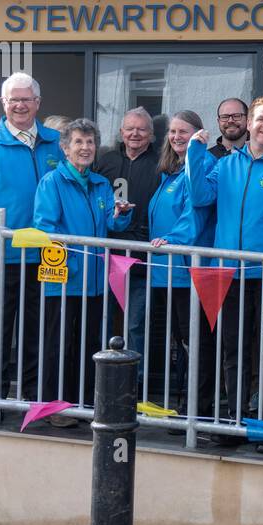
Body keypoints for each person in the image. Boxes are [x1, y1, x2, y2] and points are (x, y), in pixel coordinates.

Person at [186, 95, 263, 450]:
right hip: (228, 275)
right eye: (262, 120)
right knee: (233, 350)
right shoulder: (225, 165)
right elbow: (199, 197)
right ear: (250, 123)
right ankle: (235, 422)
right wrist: (194, 154)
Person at [0, 72, 64, 400]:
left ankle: (34, 399)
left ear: (38, 103)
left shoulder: (54, 142)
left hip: (44, 255)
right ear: (3, 103)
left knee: (39, 332)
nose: (20, 105)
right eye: (13, 99)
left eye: (26, 99)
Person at [33, 119, 133, 418]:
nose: (85, 148)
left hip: (97, 282)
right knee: (58, 347)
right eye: (78, 142)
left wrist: (119, 214)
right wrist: (73, 264)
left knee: (90, 345)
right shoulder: (52, 182)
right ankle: (55, 409)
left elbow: (110, 227)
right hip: (64, 281)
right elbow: (44, 228)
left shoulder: (101, 184)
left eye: (90, 142)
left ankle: (86, 406)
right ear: (65, 148)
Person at [146, 110, 213, 414]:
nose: (175, 137)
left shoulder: (201, 165)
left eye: (183, 132)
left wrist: (174, 240)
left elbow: (195, 214)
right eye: (172, 132)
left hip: (189, 270)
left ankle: (195, 406)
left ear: (198, 134)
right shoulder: (171, 171)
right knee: (181, 341)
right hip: (167, 270)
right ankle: (183, 402)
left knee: (194, 341)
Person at [94, 107, 159, 365]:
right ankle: (99, 381)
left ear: (152, 135)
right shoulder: (106, 161)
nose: (135, 133)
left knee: (136, 324)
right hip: (106, 257)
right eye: (130, 128)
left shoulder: (160, 164)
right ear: (121, 132)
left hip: (143, 257)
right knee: (102, 321)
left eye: (142, 129)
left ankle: (136, 384)